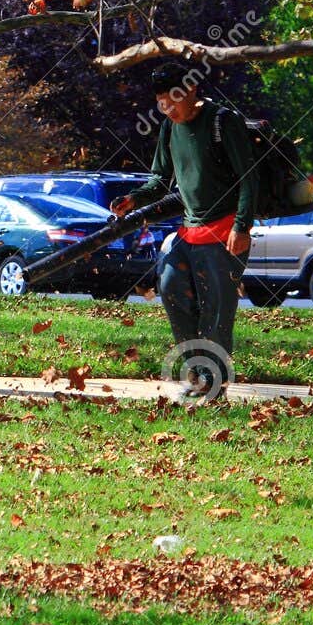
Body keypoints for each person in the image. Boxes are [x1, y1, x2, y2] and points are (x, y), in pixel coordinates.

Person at [110, 63, 256, 400]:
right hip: (190, 232)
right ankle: (196, 371)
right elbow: (161, 181)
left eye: (173, 100)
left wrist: (242, 226)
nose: (168, 109)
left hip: (225, 231)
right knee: (170, 285)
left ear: (190, 91)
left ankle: (213, 382)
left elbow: (250, 178)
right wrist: (134, 199)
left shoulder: (222, 121)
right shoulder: (168, 129)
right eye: (161, 102)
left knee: (216, 309)